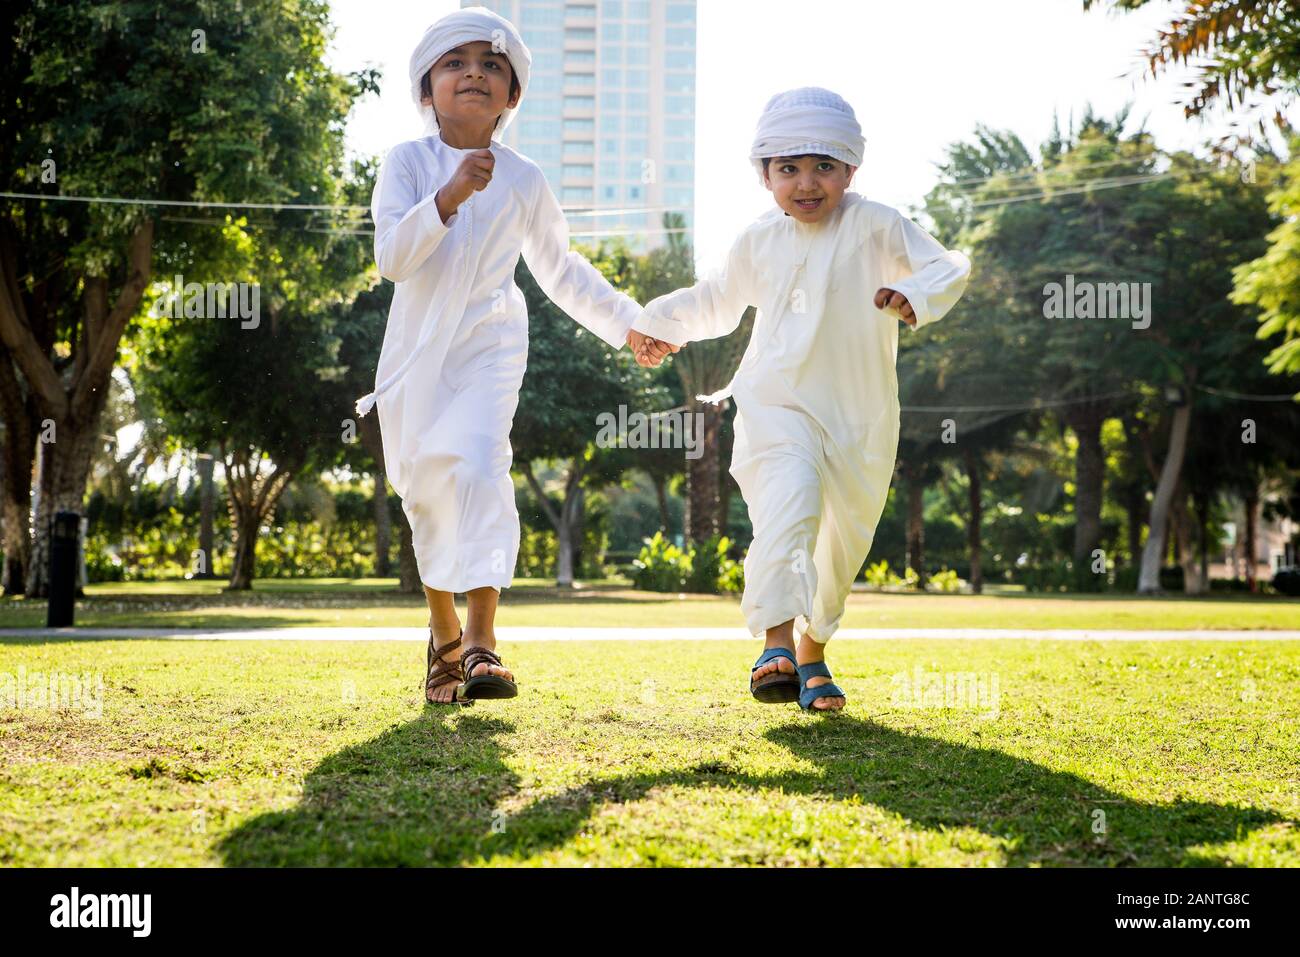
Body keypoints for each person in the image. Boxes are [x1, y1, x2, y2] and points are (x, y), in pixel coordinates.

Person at [355, 7, 670, 704]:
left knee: (478, 464)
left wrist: (628, 324)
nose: (474, 73)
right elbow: (393, 259)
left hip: (492, 345)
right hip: (416, 354)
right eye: (455, 63)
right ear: (426, 88)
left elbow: (562, 270)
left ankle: (483, 642)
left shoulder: (525, 178)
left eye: (492, 65)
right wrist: (448, 195)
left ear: (514, 96)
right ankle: (443, 640)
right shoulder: (406, 164)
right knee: (424, 487)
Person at [630, 88, 971, 712]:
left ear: (850, 171)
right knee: (789, 512)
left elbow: (948, 264)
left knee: (840, 550)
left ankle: (812, 651)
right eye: (788, 168)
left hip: (860, 419)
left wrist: (913, 292)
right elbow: (715, 301)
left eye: (823, 167)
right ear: (765, 176)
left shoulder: (876, 223)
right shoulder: (757, 240)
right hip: (776, 403)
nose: (806, 183)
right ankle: (776, 647)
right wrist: (658, 321)